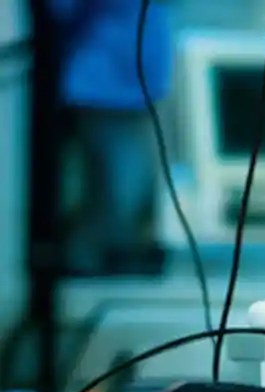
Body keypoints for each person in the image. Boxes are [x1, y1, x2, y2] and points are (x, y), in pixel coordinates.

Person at [49, 0, 173, 275]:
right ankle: (107, 253)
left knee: (121, 183)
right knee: (117, 183)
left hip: (119, 76)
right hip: (111, 78)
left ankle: (114, 252)